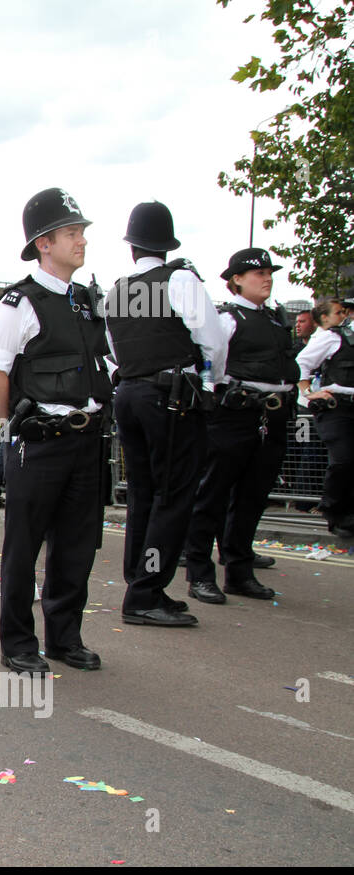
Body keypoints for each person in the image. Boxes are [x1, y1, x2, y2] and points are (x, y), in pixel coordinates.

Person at [0, 188, 111, 674]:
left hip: (85, 440)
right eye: (72, 233)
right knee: (23, 548)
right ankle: (18, 643)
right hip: (40, 442)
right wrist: (12, 423)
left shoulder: (83, 301)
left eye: (81, 232)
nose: (81, 241)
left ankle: (64, 638)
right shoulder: (18, 304)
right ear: (43, 243)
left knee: (77, 547)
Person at [103, 201, 227, 627]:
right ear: (168, 244)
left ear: (132, 247)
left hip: (131, 394)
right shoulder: (179, 278)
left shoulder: (117, 288)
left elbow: (112, 349)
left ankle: (140, 579)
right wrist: (211, 383)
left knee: (142, 493)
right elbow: (212, 340)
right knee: (173, 496)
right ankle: (146, 593)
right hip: (171, 398)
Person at [184, 248, 297, 604]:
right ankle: (200, 574)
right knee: (213, 497)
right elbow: (207, 362)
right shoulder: (229, 319)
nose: (266, 278)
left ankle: (239, 571)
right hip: (235, 414)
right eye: (257, 273)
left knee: (252, 498)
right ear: (236, 280)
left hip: (273, 418)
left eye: (269, 272)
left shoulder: (277, 319)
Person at [297, 298, 354, 536]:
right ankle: (333, 511)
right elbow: (301, 363)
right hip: (337, 408)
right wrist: (309, 392)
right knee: (343, 459)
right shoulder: (333, 337)